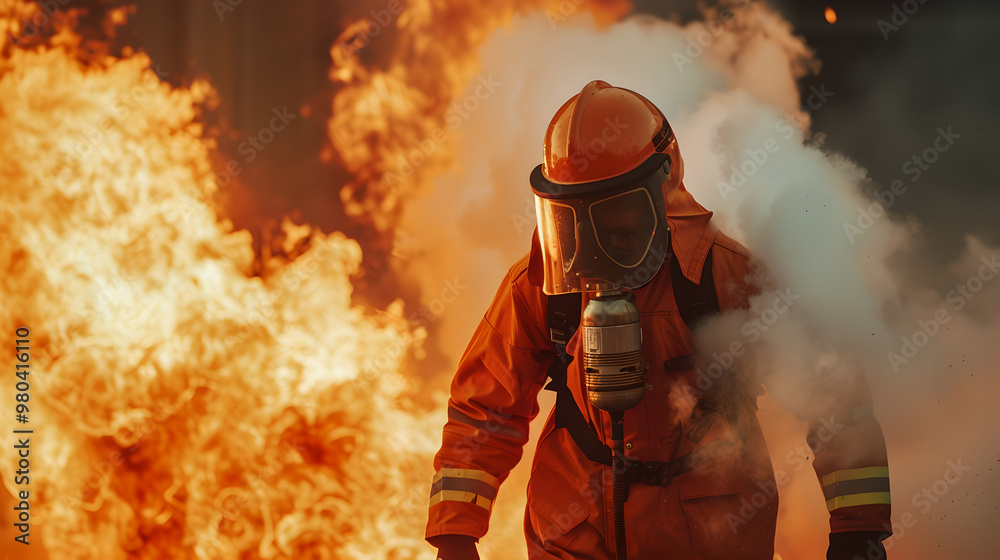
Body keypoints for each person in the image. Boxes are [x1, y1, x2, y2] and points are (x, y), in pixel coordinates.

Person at [426, 80, 892, 560]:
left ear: (662, 190)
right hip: (574, 523)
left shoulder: (729, 276)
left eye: (616, 211)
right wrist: (454, 534)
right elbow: (485, 410)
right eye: (575, 213)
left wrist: (858, 531)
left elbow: (833, 397)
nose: (593, 237)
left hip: (712, 528)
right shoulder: (539, 285)